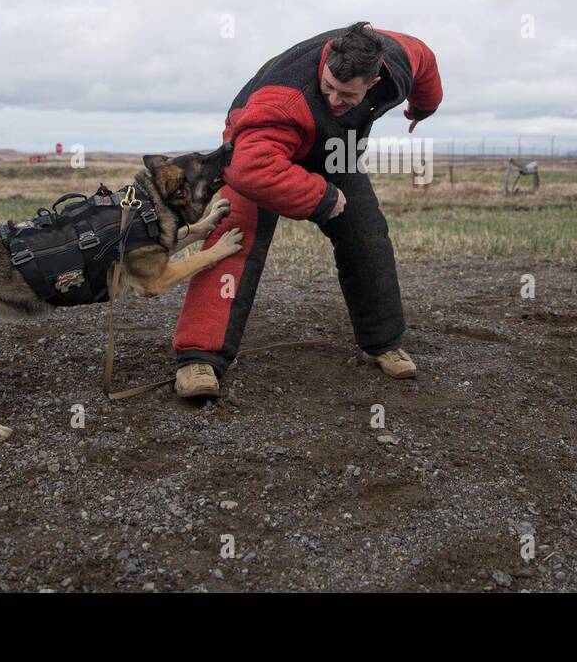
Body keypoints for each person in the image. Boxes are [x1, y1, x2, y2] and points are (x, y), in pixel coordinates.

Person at [170, 21, 443, 398]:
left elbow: (426, 61)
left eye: (346, 94)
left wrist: (422, 108)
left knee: (367, 234)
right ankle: (198, 357)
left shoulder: (398, 58)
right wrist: (322, 198)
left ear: (374, 81)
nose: (333, 99)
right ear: (326, 61)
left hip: (334, 148)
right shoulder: (282, 100)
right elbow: (250, 169)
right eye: (327, 86)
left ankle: (384, 342)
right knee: (235, 235)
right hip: (260, 151)